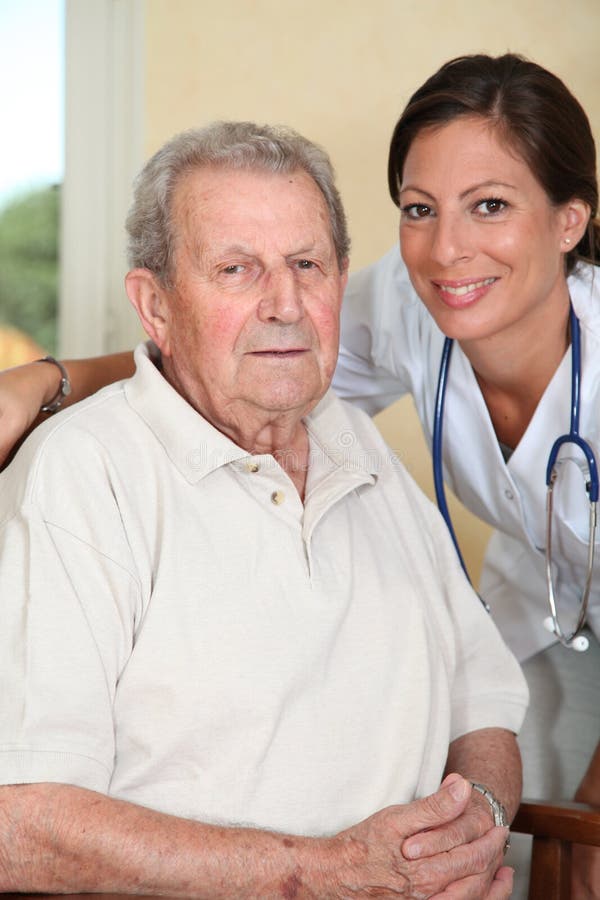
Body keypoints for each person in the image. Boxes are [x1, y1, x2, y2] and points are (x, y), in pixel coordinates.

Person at [0, 121, 527, 897]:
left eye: (307, 265)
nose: (284, 304)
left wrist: (471, 826)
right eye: (236, 269)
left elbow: (484, 707)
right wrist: (326, 875)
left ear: (342, 280)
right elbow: (22, 825)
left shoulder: (352, 438)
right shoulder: (87, 472)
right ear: (155, 306)